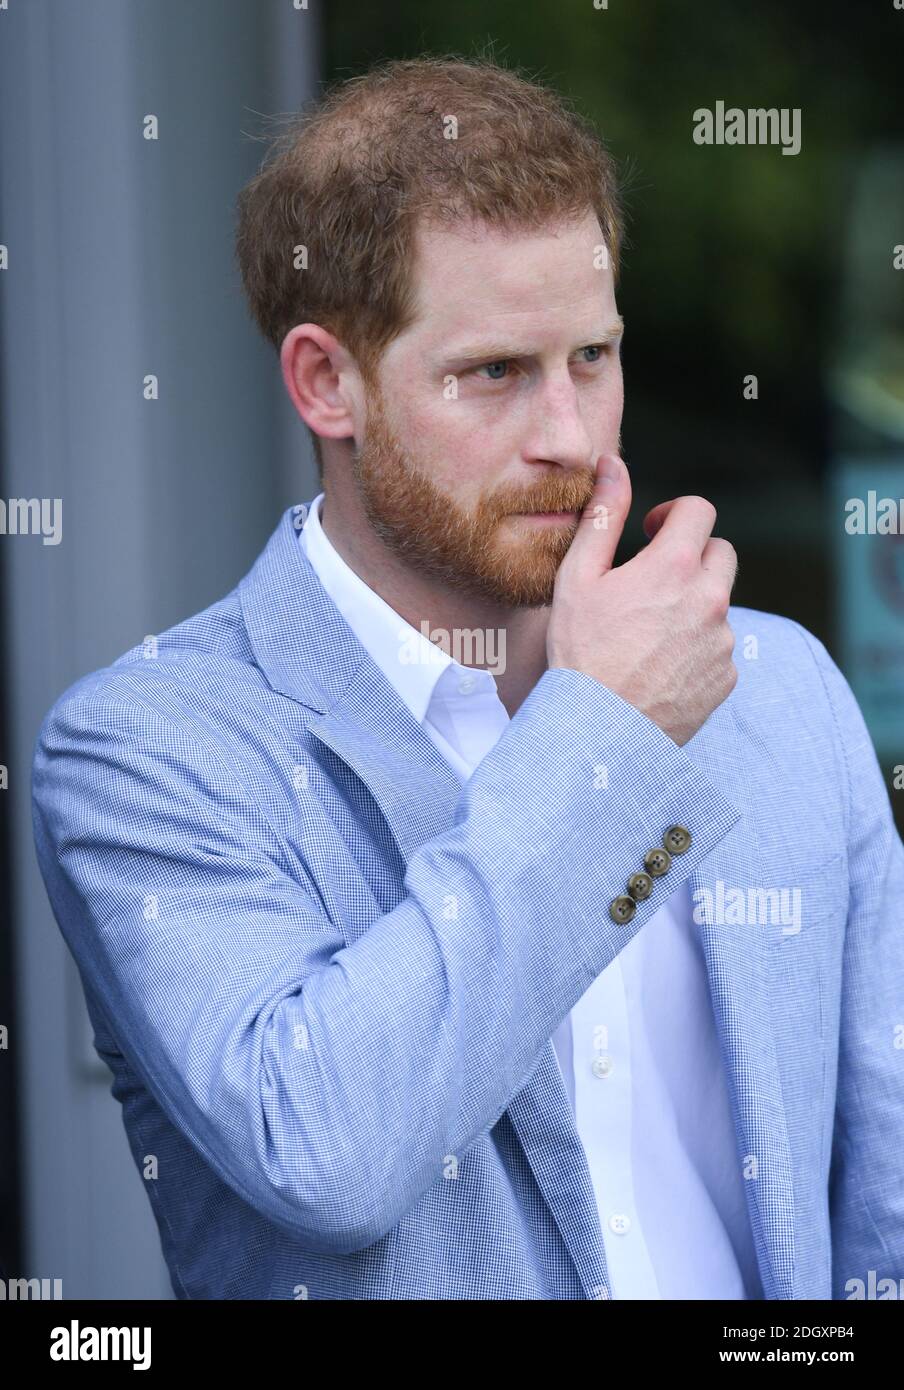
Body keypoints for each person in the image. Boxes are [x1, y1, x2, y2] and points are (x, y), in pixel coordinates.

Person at [32, 54, 904, 1301]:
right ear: (326, 381)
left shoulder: (774, 688)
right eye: (494, 372)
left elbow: (885, 1200)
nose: (570, 435)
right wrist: (604, 738)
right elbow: (326, 1150)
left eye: (592, 357)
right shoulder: (150, 749)